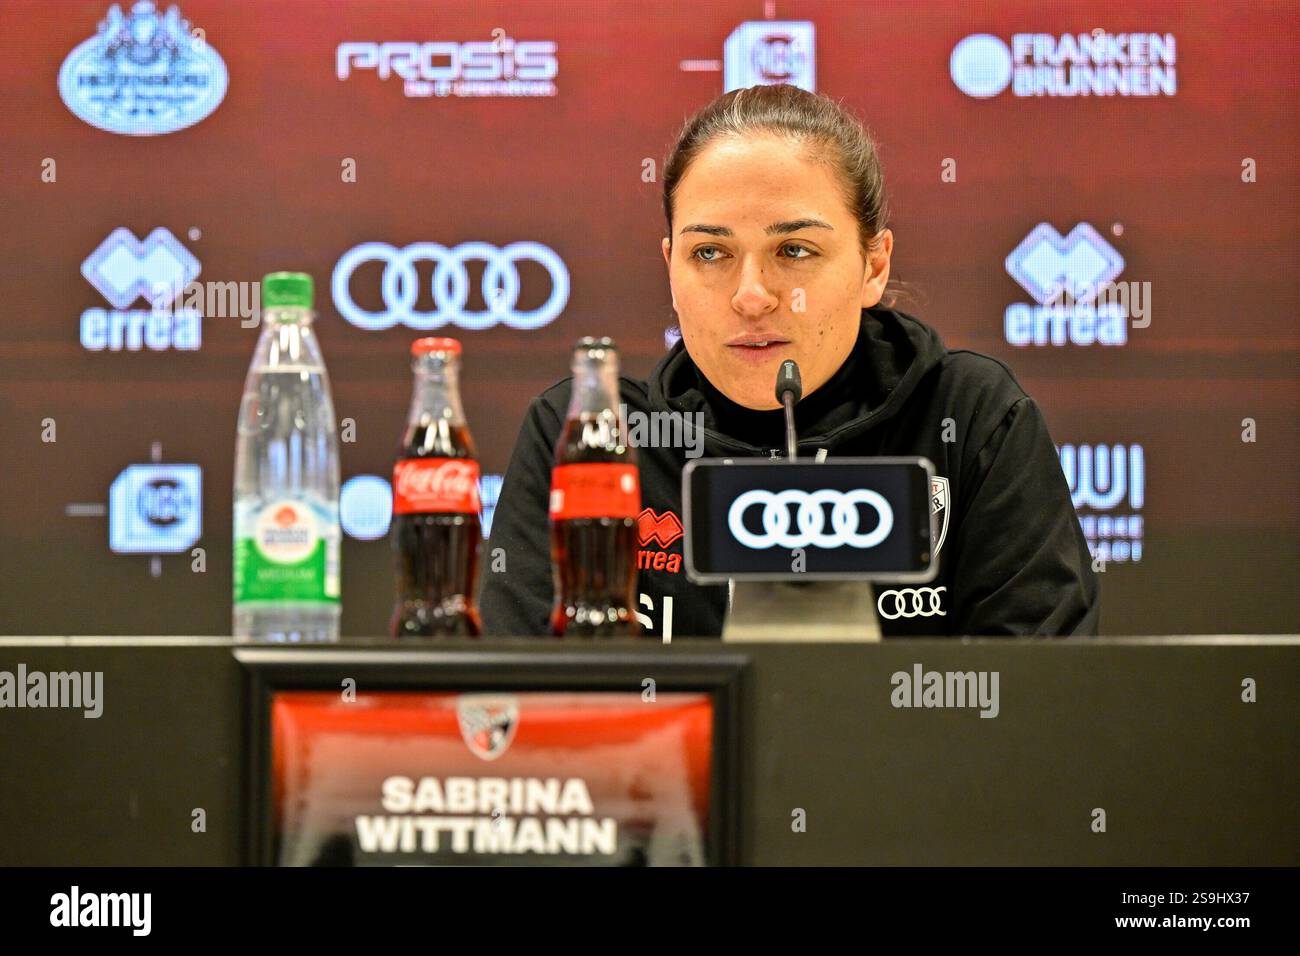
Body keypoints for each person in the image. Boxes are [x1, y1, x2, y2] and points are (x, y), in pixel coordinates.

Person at [481, 83, 1099, 639]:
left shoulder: (970, 418)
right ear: (669, 265)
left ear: (873, 266)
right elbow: (531, 723)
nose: (752, 294)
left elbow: (1036, 716)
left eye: (795, 249)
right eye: (710, 254)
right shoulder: (590, 435)